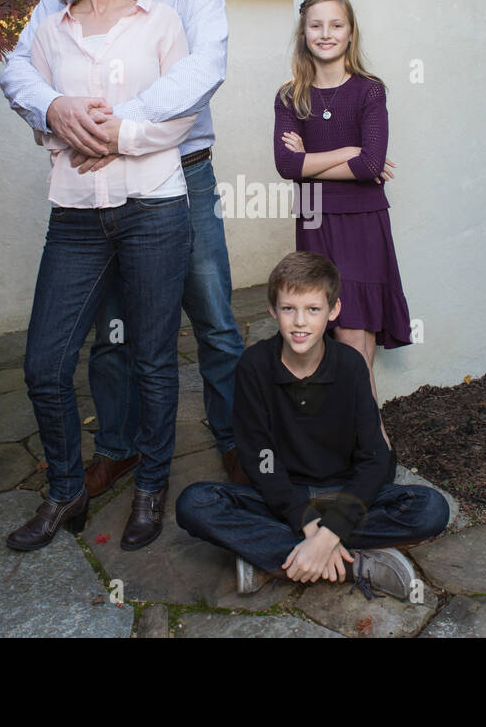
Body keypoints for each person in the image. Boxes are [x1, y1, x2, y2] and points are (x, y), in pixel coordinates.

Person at [0, 0, 246, 502]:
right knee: (111, 336)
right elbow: (19, 68)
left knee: (216, 322)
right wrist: (54, 108)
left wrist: (117, 129)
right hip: (96, 197)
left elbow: (200, 74)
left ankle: (233, 439)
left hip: (179, 181)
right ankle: (120, 446)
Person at [5, 0, 193, 553]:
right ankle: (66, 489)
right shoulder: (50, 28)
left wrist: (115, 138)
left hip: (155, 210)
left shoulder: (163, 23)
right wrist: (63, 127)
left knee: (152, 359)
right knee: (44, 364)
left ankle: (151, 487)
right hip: (78, 217)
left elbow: (180, 115)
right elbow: (23, 91)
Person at [175, 251, 448, 598]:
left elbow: (376, 458)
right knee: (195, 503)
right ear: (273, 310)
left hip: (344, 489)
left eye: (313, 310)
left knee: (431, 510)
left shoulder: (349, 365)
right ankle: (355, 565)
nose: (300, 322)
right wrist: (302, 518)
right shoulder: (254, 365)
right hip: (285, 494)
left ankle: (272, 558)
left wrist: (331, 529)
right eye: (289, 309)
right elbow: (260, 458)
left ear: (333, 311)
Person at [272, 0, 412, 436]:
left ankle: (374, 439)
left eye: (336, 25)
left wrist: (320, 159)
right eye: (316, 25)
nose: (325, 33)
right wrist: (347, 151)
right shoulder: (292, 96)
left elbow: (371, 165)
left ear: (351, 33)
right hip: (315, 221)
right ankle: (338, 436)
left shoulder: (369, 91)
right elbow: (287, 166)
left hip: (362, 223)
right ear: (304, 32)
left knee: (354, 337)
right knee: (319, 332)